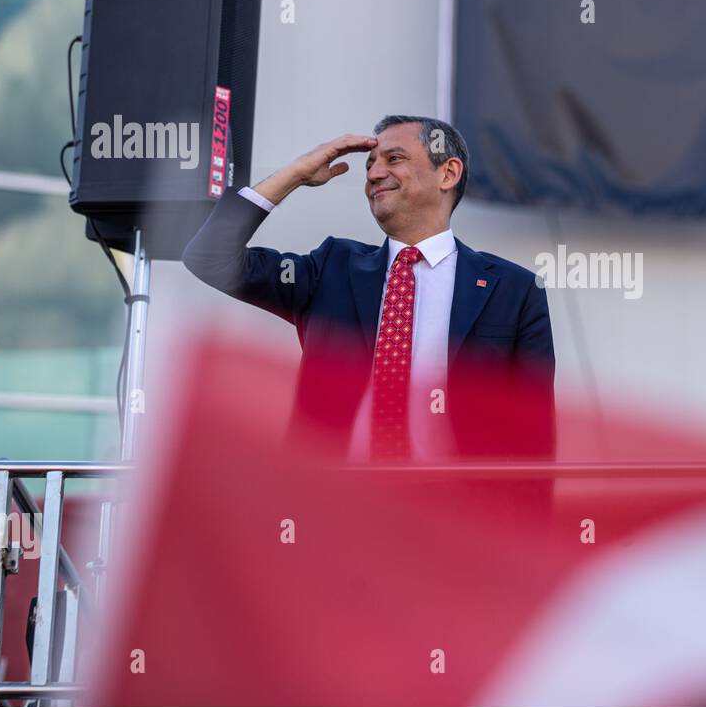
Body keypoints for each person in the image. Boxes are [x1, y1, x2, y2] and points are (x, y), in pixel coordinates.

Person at [183, 116, 555, 461]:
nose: (375, 173)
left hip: (459, 516)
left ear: (448, 174)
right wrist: (295, 174)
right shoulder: (330, 268)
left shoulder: (514, 290)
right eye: (369, 165)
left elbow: (535, 435)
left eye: (394, 158)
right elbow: (211, 258)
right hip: (339, 510)